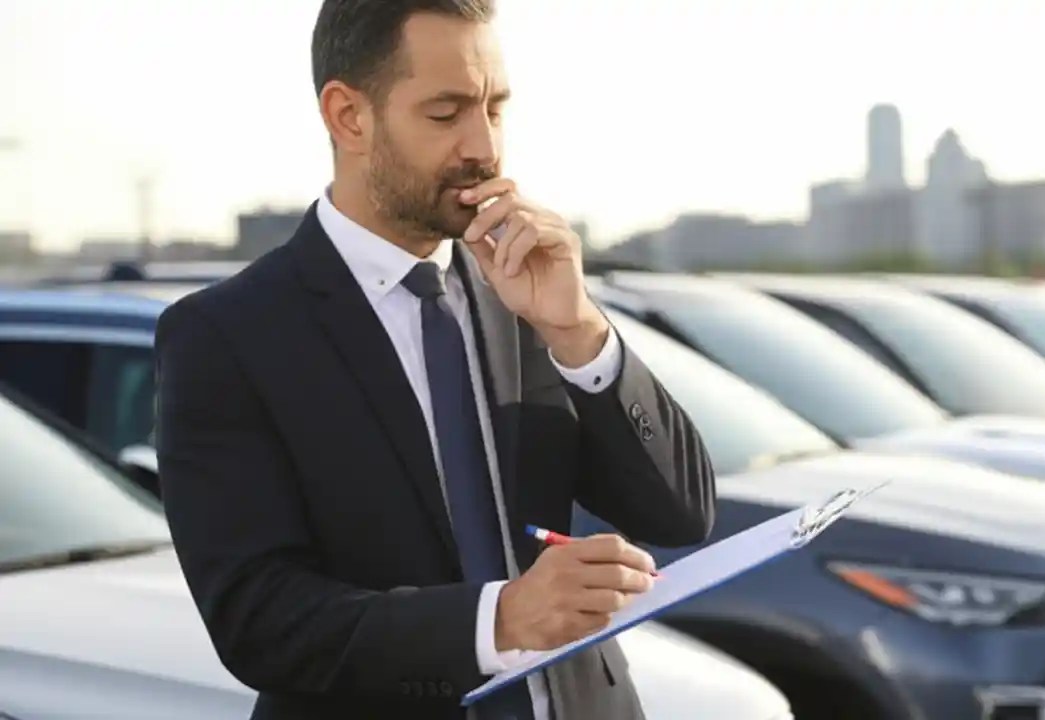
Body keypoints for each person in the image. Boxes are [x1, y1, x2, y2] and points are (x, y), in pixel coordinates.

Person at [152, 1, 716, 718]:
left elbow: (681, 514)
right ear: (349, 117)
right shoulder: (226, 335)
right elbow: (258, 620)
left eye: (496, 108)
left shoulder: (527, 292)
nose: (483, 146)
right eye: (447, 113)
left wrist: (579, 330)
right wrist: (498, 619)